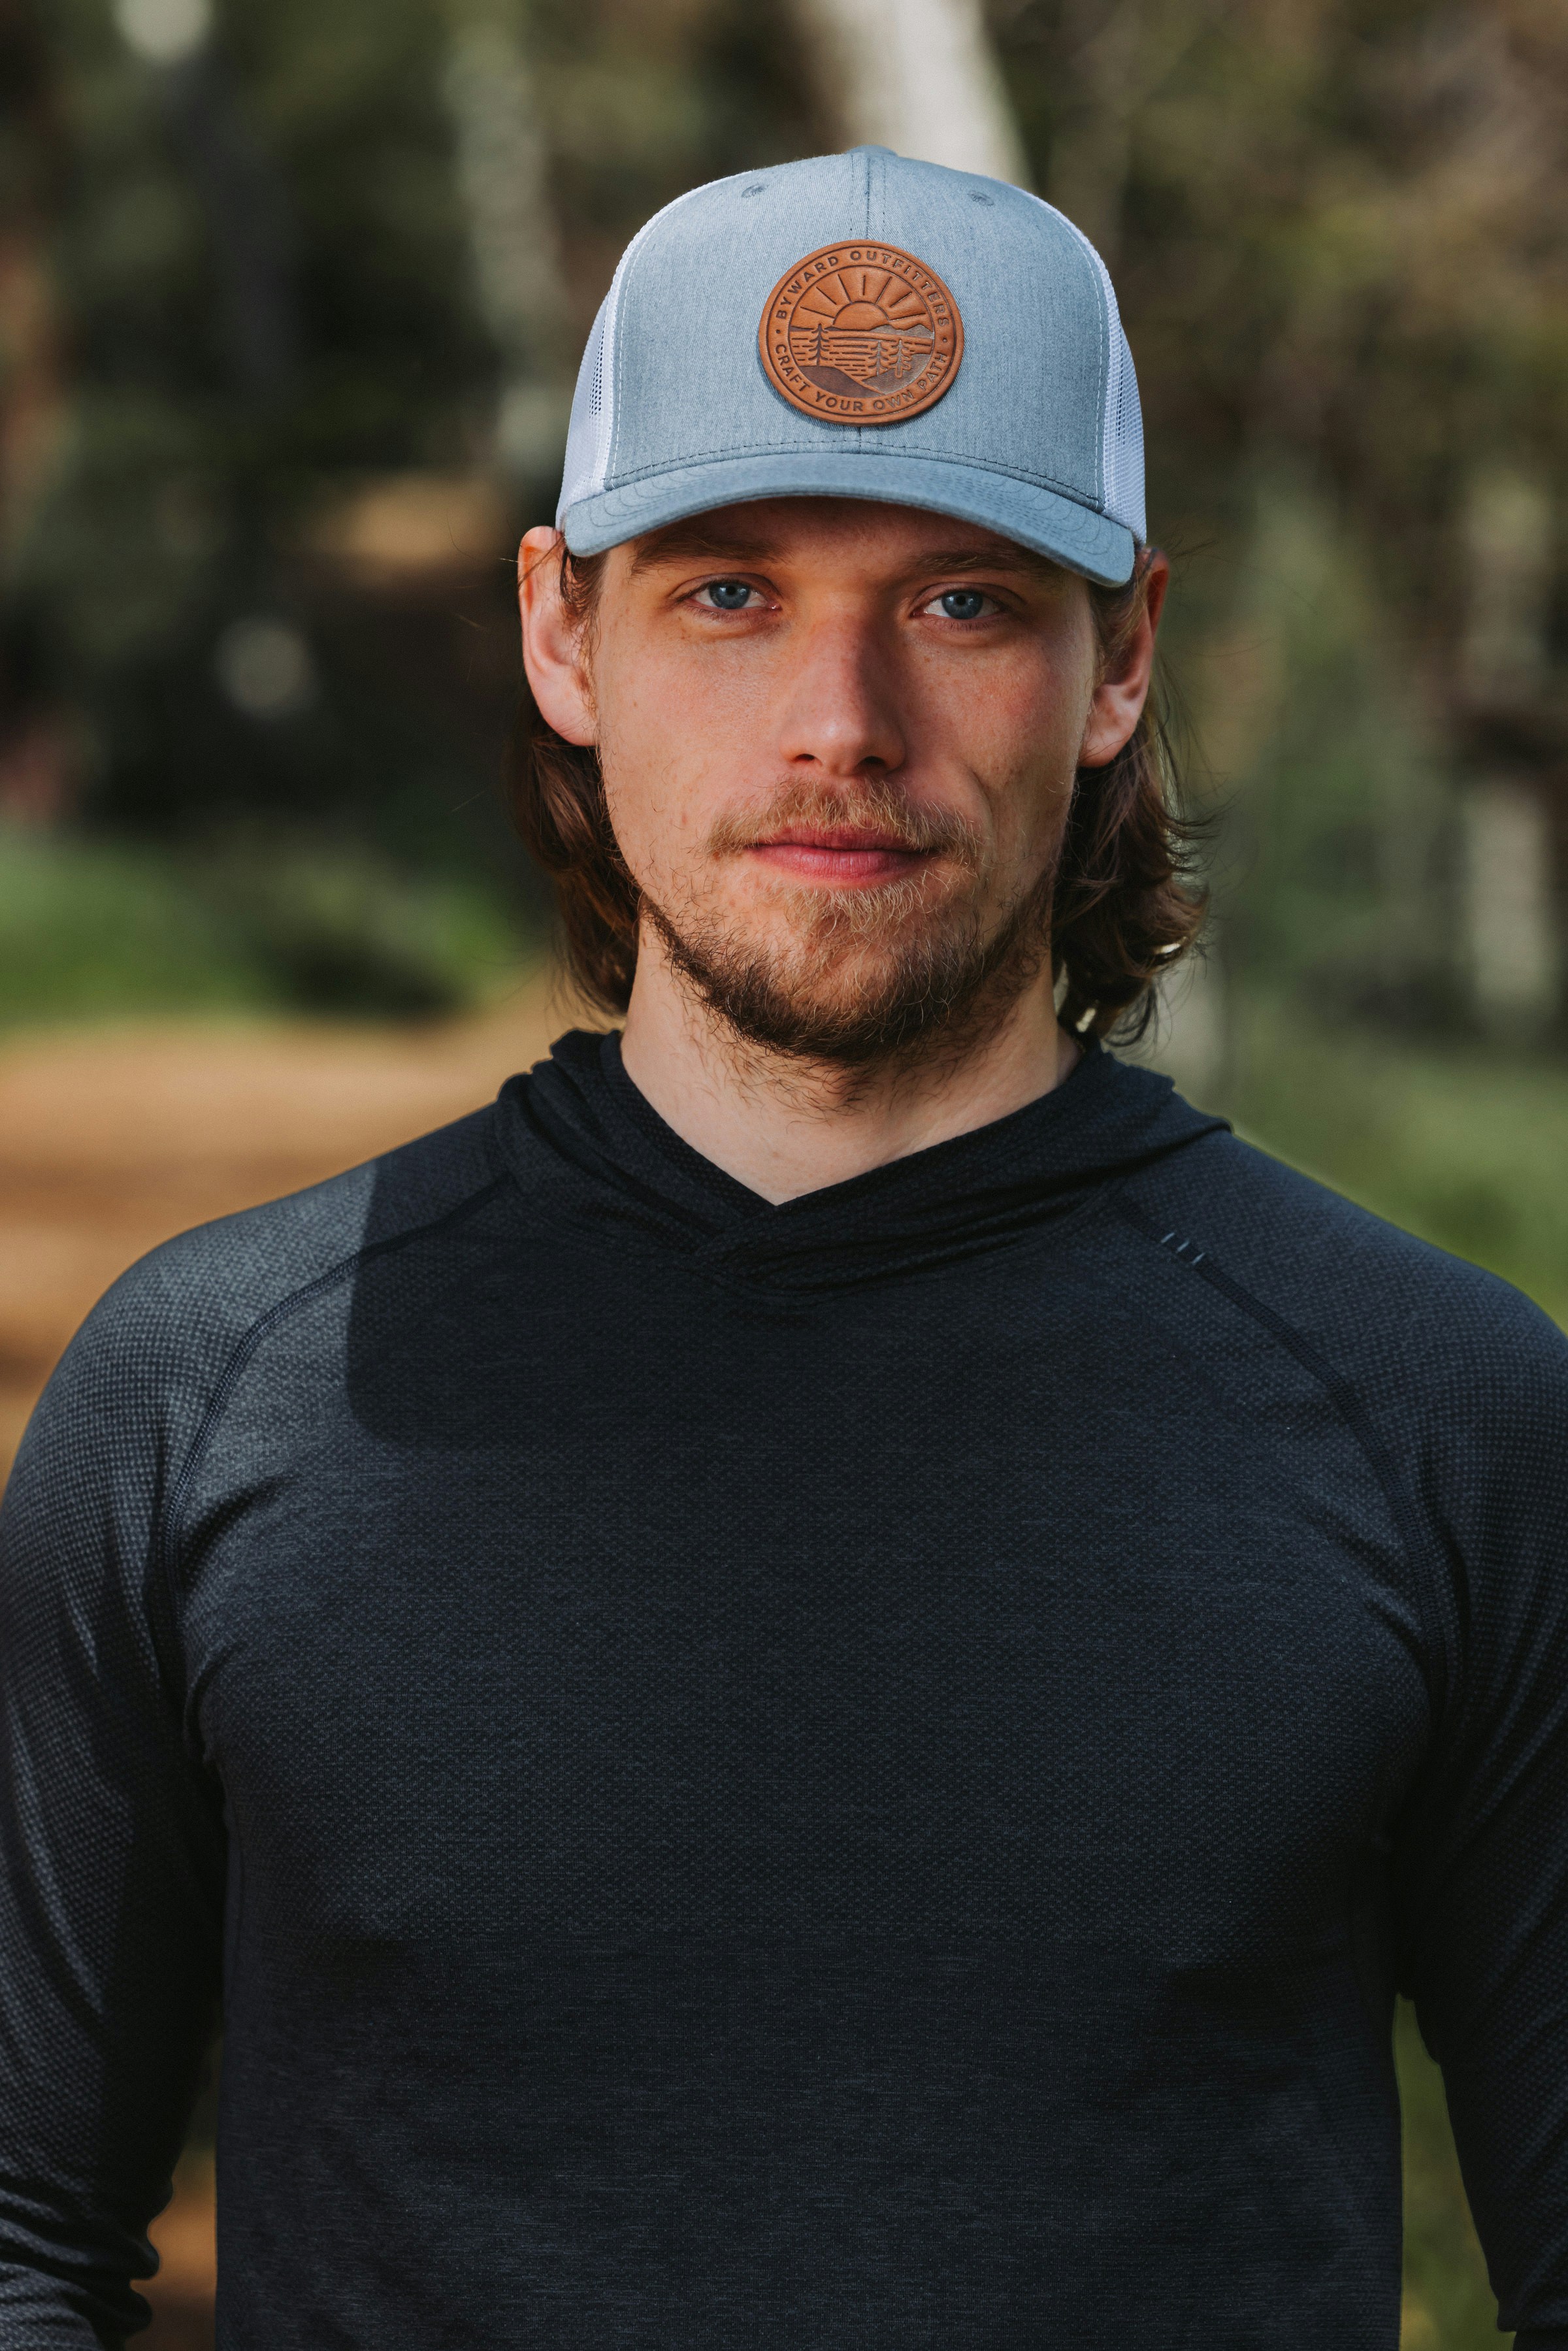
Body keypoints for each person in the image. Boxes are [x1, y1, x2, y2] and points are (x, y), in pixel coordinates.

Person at [1, 144, 1565, 2351]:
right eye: (729, 590)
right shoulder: (205, 1400)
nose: (842, 721)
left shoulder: (1450, 1422)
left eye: (964, 600)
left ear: (1120, 663)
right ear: (565, 632)